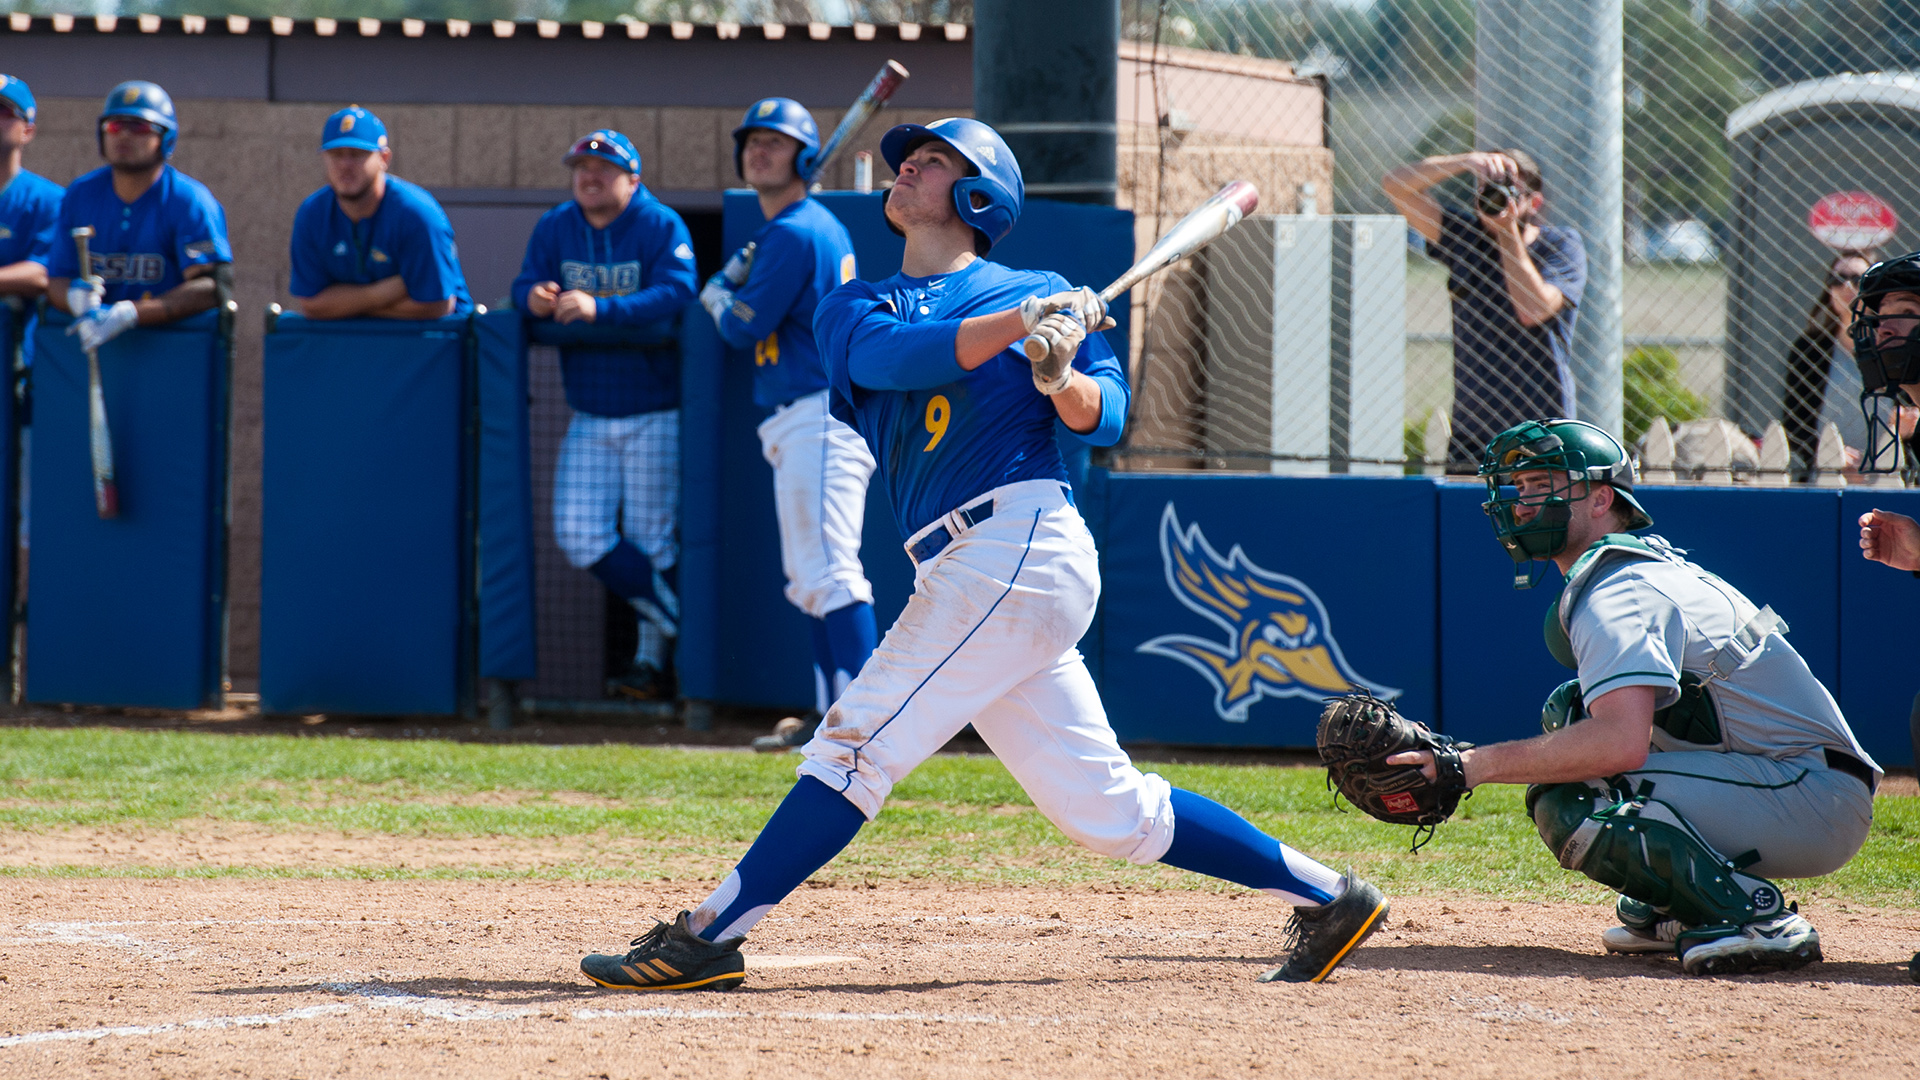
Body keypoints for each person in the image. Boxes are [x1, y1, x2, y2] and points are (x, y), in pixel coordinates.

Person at [579, 117, 1390, 992]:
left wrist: (1059, 375)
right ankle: (1328, 896)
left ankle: (708, 933)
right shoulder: (856, 305)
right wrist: (1020, 326)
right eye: (910, 160)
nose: (906, 170)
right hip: (971, 567)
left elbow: (1104, 417)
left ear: (977, 197)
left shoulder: (1043, 288)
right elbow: (902, 361)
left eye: (930, 162)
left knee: (852, 747)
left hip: (1017, 545)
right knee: (1109, 812)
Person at [1390, 418, 1878, 976]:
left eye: (1543, 482)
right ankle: (1680, 901)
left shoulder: (1620, 588)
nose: (1523, 502)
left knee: (1570, 796)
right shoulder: (1629, 568)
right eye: (1518, 487)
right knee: (1570, 711)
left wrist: (1467, 767)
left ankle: (1755, 918)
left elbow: (1620, 744)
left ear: (1601, 498)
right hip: (1794, 783)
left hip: (1810, 795)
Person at [698, 98, 876, 751]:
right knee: (811, 577)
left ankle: (861, 728)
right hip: (803, 415)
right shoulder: (792, 228)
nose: (760, 151)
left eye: (777, 143)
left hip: (818, 413)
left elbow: (744, 328)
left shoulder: (799, 231)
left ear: (805, 156)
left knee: (830, 572)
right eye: (753, 141)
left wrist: (719, 294)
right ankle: (834, 720)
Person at [511, 130, 697, 699]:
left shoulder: (659, 223)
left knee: (652, 540)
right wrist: (535, 298)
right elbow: (520, 286)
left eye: (603, 168)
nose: (589, 176)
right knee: (579, 533)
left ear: (632, 179)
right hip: (588, 411)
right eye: (581, 167)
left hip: (654, 410)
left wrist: (601, 309)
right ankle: (683, 628)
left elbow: (681, 290)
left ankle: (649, 660)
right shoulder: (556, 224)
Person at [1382, 149, 1587, 469]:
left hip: (1541, 428)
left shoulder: (1560, 245)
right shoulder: (1463, 237)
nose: (1493, 195)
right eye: (1486, 187)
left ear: (1533, 203)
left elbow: (1532, 310)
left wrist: (1506, 231)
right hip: (1473, 429)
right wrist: (1465, 162)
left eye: (1508, 189)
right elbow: (1395, 186)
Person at [46, 81, 231, 349]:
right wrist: (72, 297)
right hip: (95, 347)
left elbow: (213, 286)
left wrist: (131, 313)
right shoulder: (80, 194)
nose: (123, 136)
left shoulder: (188, 200)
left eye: (139, 127)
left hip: (171, 352)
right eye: (114, 126)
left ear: (165, 139)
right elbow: (57, 279)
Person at [288, 106, 470, 320]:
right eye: (336, 154)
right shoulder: (312, 214)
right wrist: (379, 295)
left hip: (430, 347)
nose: (345, 165)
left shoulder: (418, 214)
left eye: (357, 154)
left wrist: (346, 306)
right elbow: (312, 304)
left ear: (384, 158)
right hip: (352, 348)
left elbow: (437, 305)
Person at [1782, 250, 1878, 479]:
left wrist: (1909, 430)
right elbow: (1795, 423)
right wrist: (1828, 453)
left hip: (1890, 477)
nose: (1846, 286)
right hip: (1827, 476)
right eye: (1837, 280)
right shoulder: (1810, 350)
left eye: (1857, 279)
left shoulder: (1898, 347)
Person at [0, 75, 59, 306]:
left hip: (17, 337)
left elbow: (44, 272)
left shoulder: (49, 200)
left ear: (27, 131)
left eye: (3, 111)